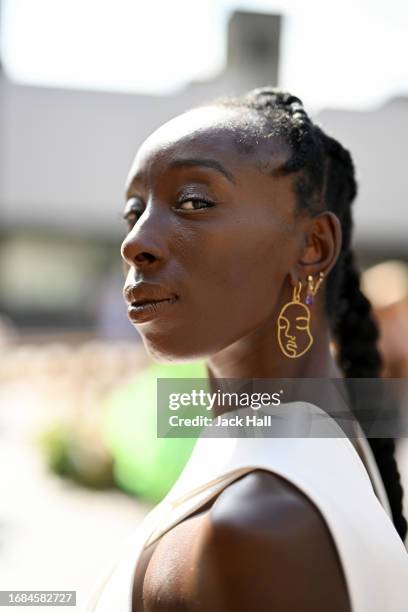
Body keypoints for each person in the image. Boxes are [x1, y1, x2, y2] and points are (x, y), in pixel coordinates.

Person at [83, 87, 408, 611]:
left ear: (312, 247)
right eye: (134, 211)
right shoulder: (305, 444)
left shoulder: (259, 528)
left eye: (193, 201)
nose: (134, 243)